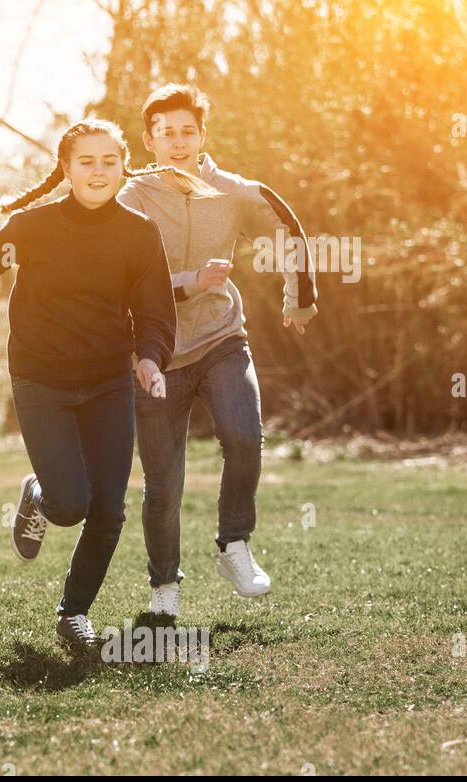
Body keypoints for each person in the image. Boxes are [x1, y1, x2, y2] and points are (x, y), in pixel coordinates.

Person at [0, 118, 197, 646]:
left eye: (108, 161)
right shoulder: (34, 227)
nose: (98, 171)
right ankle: (37, 493)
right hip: (42, 378)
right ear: (67, 169)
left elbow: (155, 309)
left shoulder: (138, 233)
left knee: (108, 509)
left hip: (106, 380)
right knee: (69, 504)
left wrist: (149, 358)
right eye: (87, 161)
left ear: (124, 166)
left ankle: (72, 615)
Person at [116, 84, 318, 617]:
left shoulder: (231, 190)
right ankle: (164, 585)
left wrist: (299, 297)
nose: (178, 142)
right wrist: (190, 282)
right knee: (163, 483)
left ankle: (234, 544)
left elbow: (286, 228)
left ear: (203, 134)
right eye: (166, 133)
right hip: (154, 353)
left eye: (187, 131)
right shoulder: (131, 196)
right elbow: (120, 273)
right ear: (149, 139)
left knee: (244, 435)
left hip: (221, 338)